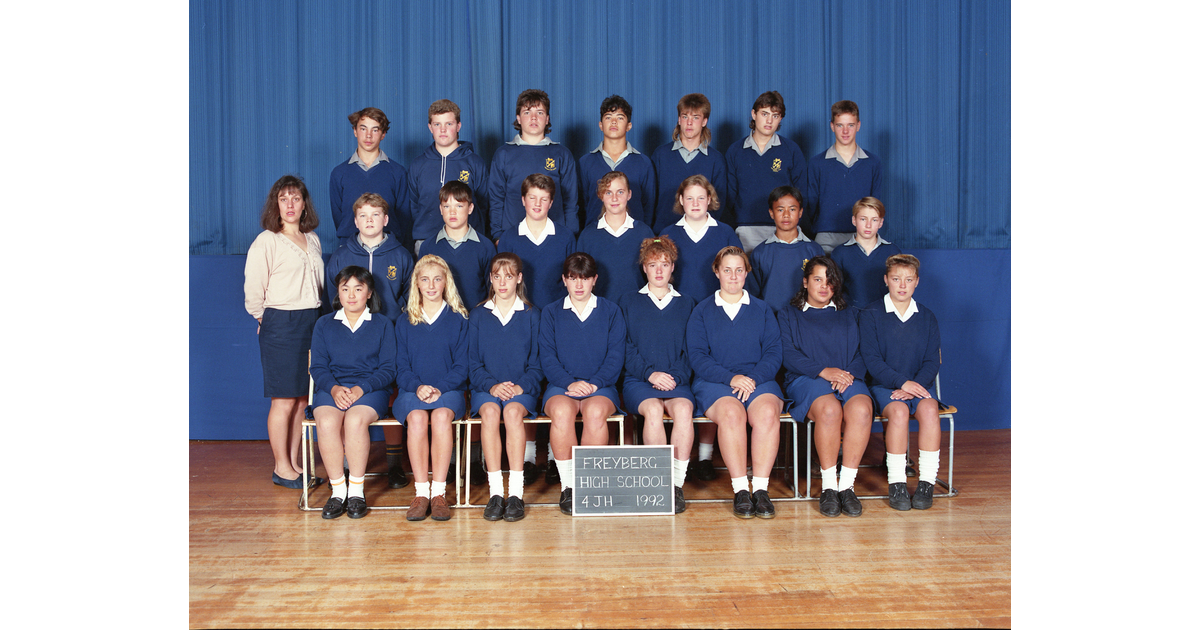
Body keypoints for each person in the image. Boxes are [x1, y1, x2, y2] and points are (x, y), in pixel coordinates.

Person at [685, 246, 785, 519]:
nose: (733, 276)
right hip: (715, 381)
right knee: (731, 414)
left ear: (747, 273)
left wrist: (751, 378)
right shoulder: (702, 311)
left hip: (758, 380)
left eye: (739, 270)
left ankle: (761, 490)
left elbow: (774, 352)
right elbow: (697, 356)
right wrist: (731, 378)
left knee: (766, 413)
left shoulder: (763, 310)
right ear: (716, 272)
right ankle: (741, 489)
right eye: (726, 270)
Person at [324, 192, 415, 488]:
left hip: (391, 332)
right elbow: (332, 294)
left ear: (386, 220)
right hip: (355, 333)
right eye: (363, 216)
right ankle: (349, 467)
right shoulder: (341, 255)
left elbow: (407, 294)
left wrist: (393, 319)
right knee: (348, 409)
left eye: (375, 215)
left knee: (390, 395)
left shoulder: (400, 254)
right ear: (355, 221)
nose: (369, 221)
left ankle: (394, 463)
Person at [244, 175, 325, 490]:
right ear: (275, 204)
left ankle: (293, 463)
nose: (290, 205)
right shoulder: (267, 240)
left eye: (296, 198)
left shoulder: (313, 238)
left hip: (312, 320)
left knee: (301, 398)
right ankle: (281, 467)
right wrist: (263, 317)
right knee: (283, 400)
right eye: (283, 199)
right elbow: (254, 289)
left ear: (304, 203)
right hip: (281, 321)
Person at [776, 257, 873, 518]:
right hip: (806, 378)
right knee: (830, 411)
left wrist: (846, 375)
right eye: (817, 279)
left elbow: (865, 352)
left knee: (862, 409)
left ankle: (847, 487)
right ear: (805, 281)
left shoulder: (852, 314)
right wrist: (822, 371)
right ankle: (829, 486)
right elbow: (787, 354)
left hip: (847, 376)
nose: (823, 286)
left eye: (830, 281)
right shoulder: (788, 314)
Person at [540, 253, 627, 515]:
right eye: (573, 278)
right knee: (563, 412)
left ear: (595, 280)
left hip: (600, 385)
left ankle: (589, 484)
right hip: (560, 385)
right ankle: (569, 486)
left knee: (594, 412)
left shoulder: (611, 311)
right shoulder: (551, 312)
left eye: (585, 279)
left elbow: (615, 356)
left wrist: (594, 383)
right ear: (564, 280)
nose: (579, 285)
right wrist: (569, 382)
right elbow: (547, 356)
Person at [309, 266, 397, 520]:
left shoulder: (382, 324)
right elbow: (318, 367)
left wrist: (361, 389)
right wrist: (335, 388)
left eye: (358, 289)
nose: (351, 295)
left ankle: (356, 492)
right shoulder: (324, 324)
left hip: (370, 389)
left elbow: (388, 368)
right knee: (326, 421)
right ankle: (338, 491)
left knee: (355, 420)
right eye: (345, 289)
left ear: (369, 293)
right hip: (332, 388)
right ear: (338, 292)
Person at [858, 254, 944, 511]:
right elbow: (871, 359)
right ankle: (897, 482)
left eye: (908, 280)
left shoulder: (927, 316)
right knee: (897, 411)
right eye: (896, 279)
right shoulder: (871, 313)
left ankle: (926, 482)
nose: (902, 285)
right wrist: (901, 383)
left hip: (917, 386)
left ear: (917, 282)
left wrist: (913, 385)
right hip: (885, 386)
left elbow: (932, 361)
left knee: (929, 409)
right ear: (886, 280)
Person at [617, 236, 696, 513]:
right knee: (652, 410)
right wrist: (651, 375)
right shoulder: (628, 302)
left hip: (677, 379)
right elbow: (623, 347)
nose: (659, 270)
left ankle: (675, 485)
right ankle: (658, 482)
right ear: (644, 268)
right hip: (640, 381)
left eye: (664, 264)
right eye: (653, 265)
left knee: (684, 410)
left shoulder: (687, 303)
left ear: (673, 267)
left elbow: (693, 349)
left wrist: (673, 376)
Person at [392, 255, 470, 522]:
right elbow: (400, 368)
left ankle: (439, 493)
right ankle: (421, 493)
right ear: (417, 283)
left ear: (446, 282)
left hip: (449, 391)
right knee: (416, 418)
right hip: (412, 392)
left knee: (439, 417)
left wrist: (440, 387)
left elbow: (463, 366)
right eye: (425, 279)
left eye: (437, 279)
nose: (432, 285)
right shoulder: (405, 321)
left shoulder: (459, 319)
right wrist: (418, 386)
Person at [468, 253, 543, 522]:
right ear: (490, 278)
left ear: (519, 278)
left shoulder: (532, 315)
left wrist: (521, 387)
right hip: (486, 388)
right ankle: (496, 493)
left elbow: (537, 364)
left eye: (509, 276)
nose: (502, 282)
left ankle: (516, 494)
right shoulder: (478, 315)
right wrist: (492, 386)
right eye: (497, 276)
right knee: (489, 413)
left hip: (522, 390)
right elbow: (472, 363)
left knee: (512, 414)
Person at [488, 89, 579, 241]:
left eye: (540, 113)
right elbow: (496, 199)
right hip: (512, 236)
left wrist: (570, 234)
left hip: (555, 237)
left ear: (547, 118)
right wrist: (498, 235)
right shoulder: (503, 154)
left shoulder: (561, 154)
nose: (534, 118)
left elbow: (571, 200)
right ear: (518, 118)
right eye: (527, 112)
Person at [725, 91, 807, 254]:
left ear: (781, 119)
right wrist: (741, 219)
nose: (769, 120)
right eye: (765, 114)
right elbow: (729, 194)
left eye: (775, 116)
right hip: (746, 229)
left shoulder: (791, 150)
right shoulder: (735, 151)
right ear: (754, 114)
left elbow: (801, 192)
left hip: (782, 228)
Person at [408, 99, 489, 255]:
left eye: (449, 124)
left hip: (466, 241)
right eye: (437, 124)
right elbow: (413, 206)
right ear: (430, 127)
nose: (443, 130)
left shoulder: (475, 163)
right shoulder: (418, 164)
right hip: (426, 240)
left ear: (458, 126)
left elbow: (484, 205)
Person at [806, 100, 882, 253]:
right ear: (832, 126)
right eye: (840, 125)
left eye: (851, 125)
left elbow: (876, 204)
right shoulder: (817, 163)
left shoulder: (873, 163)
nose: (845, 131)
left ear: (858, 126)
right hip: (826, 238)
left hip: (861, 236)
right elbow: (811, 205)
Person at [649, 94, 729, 233]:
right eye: (685, 116)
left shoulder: (716, 159)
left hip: (701, 234)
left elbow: (718, 204)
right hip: (664, 233)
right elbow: (650, 199)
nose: (689, 123)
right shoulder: (661, 155)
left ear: (704, 121)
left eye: (695, 117)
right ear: (679, 119)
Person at [328, 107, 409, 244]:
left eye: (375, 130)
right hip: (350, 250)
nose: (368, 135)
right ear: (355, 131)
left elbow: (404, 219)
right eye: (363, 129)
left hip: (387, 250)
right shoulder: (339, 173)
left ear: (383, 134)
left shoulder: (397, 172)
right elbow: (339, 218)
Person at [496, 174, 576, 310]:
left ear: (551, 203)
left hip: (556, 314)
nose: (537, 204)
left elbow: (574, 280)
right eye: (532, 198)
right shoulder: (508, 238)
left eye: (544, 199)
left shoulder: (566, 237)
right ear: (523, 200)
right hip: (519, 315)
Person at [577, 94, 656, 227]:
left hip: (635, 238)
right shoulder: (585, 163)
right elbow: (581, 205)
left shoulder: (644, 163)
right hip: (595, 237)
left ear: (629, 126)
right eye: (608, 117)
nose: (614, 122)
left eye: (620, 118)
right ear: (601, 125)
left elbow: (649, 206)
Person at [575, 171, 656, 299]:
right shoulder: (587, 236)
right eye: (608, 192)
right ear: (601, 195)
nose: (614, 198)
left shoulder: (645, 233)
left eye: (620, 192)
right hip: (600, 310)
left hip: (636, 307)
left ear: (629, 194)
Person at [418, 181, 497, 310]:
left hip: (475, 320)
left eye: (459, 206)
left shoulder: (485, 247)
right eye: (447, 206)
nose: (452, 212)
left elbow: (493, 290)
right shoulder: (428, 247)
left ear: (470, 208)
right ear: (441, 209)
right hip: (441, 321)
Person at [748, 186, 825, 313]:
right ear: (771, 213)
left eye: (792, 209)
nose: (786, 215)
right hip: (771, 317)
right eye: (780, 209)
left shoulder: (814, 250)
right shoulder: (760, 253)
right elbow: (753, 294)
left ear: (800, 212)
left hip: (806, 318)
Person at [829, 197, 902, 310]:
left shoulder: (892, 251)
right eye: (863, 219)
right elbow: (834, 290)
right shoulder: (840, 253)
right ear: (854, 220)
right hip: (851, 317)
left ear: (881, 222)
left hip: (883, 317)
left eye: (874, 220)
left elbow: (900, 289)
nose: (868, 225)